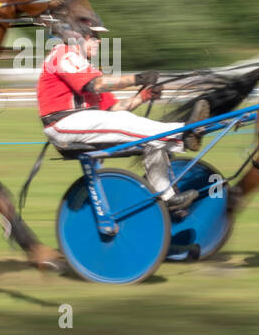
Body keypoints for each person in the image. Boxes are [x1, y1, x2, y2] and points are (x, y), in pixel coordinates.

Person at [38, 35, 209, 215]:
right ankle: (183, 134)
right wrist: (138, 78)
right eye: (93, 37)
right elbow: (97, 85)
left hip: (82, 122)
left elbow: (113, 108)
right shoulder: (63, 53)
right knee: (128, 123)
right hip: (63, 123)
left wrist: (144, 96)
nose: (99, 42)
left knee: (150, 141)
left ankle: (168, 198)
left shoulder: (85, 67)